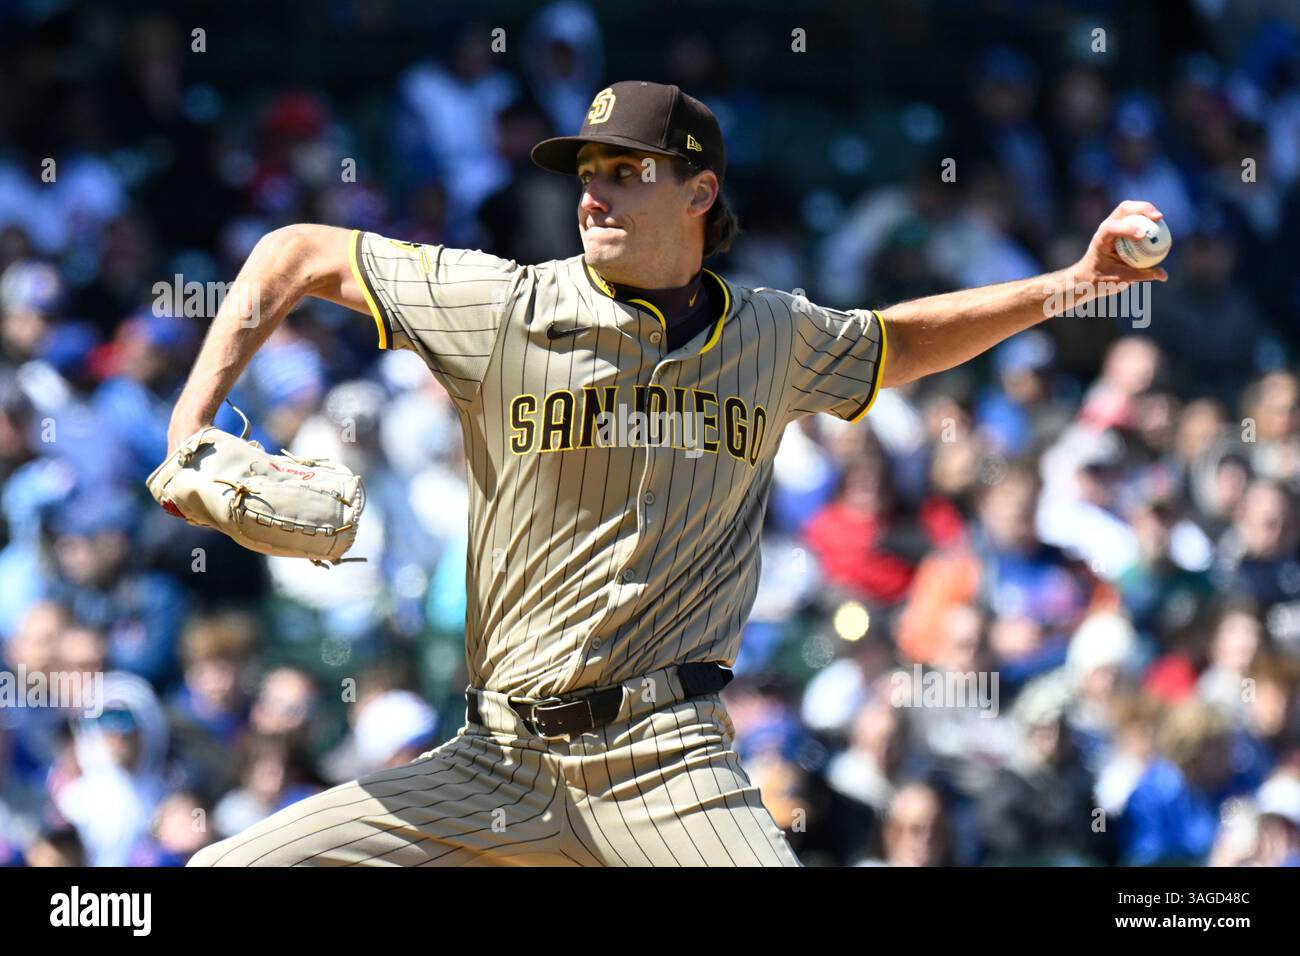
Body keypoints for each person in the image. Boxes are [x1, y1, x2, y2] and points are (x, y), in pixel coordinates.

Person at [164, 80, 1169, 867]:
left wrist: (1074, 286)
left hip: (666, 763)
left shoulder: (773, 334)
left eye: (626, 171)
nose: (593, 192)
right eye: (586, 170)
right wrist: (190, 423)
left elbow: (898, 343)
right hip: (493, 757)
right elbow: (295, 251)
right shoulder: (500, 303)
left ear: (698, 193)